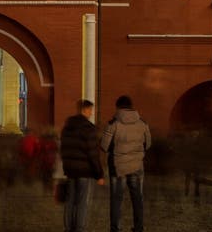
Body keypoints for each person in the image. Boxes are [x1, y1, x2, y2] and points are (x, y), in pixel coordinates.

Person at [101, 95, 151, 232]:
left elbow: (104, 146)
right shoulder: (143, 123)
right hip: (137, 166)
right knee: (137, 198)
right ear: (131, 106)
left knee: (116, 199)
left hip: (118, 167)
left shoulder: (113, 124)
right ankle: (139, 227)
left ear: (118, 107)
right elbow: (148, 144)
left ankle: (116, 228)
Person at [59, 99, 104, 232]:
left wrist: (66, 165)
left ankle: (68, 228)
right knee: (82, 201)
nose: (91, 113)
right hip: (84, 170)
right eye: (90, 110)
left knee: (70, 200)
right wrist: (99, 174)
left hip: (70, 170)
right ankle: (79, 228)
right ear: (85, 110)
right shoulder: (89, 128)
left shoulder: (67, 127)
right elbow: (93, 153)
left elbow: (63, 148)